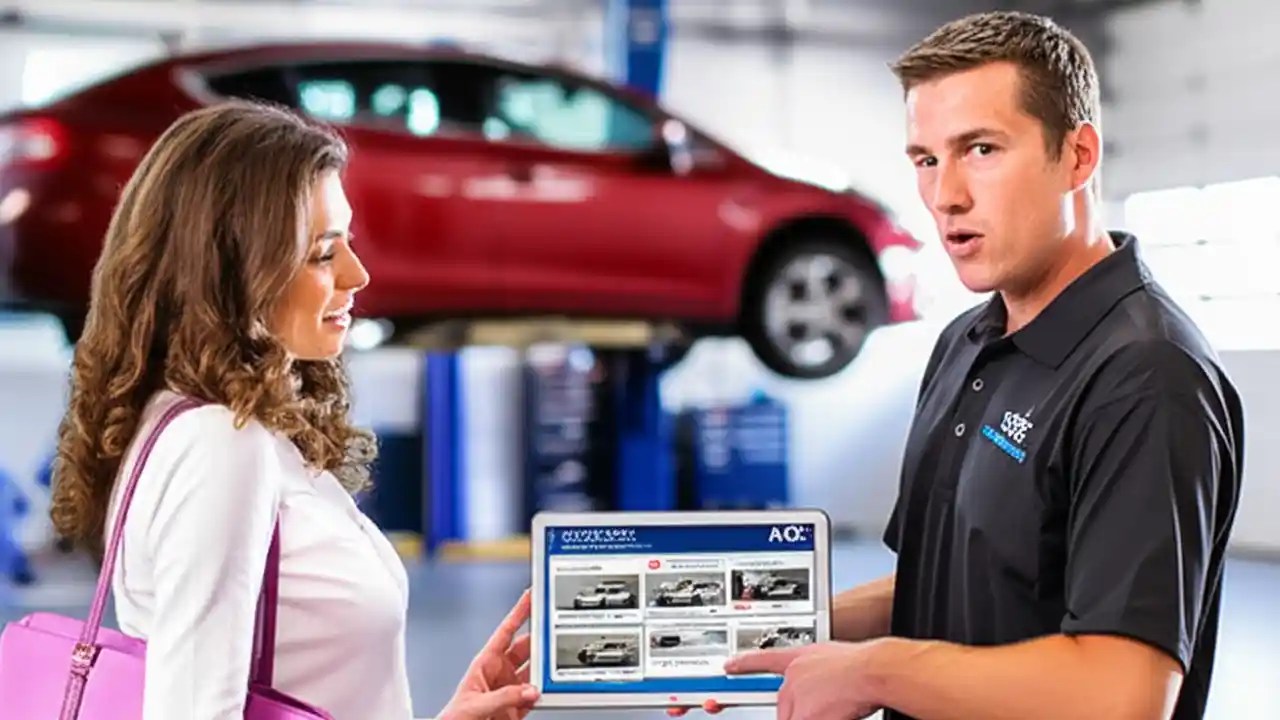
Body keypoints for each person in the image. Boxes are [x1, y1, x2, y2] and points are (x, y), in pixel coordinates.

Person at [674, 10, 1244, 720]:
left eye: (980, 149)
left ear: (1078, 156)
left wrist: (876, 672)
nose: (946, 196)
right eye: (925, 160)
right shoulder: (966, 342)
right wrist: (770, 632)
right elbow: (946, 582)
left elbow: (1122, 692)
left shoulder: (1146, 375)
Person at [48, 100, 539, 720]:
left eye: (347, 243)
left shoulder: (209, 426)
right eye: (323, 254)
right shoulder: (219, 444)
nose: (357, 275)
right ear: (233, 269)